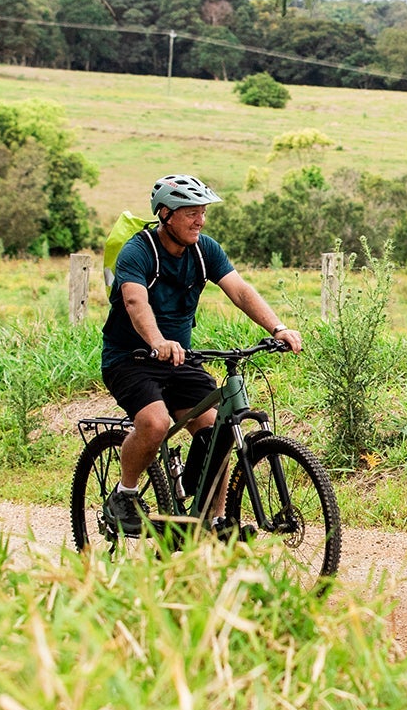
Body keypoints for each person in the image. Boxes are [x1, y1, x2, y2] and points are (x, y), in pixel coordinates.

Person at [100, 173, 302, 535]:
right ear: (165, 214)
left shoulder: (204, 250)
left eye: (203, 212)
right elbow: (134, 301)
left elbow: (240, 290)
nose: (200, 220)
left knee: (217, 430)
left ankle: (213, 520)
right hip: (131, 359)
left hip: (180, 359)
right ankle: (124, 495)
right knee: (155, 424)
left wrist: (278, 328)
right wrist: (157, 340)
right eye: (191, 212)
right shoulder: (139, 251)